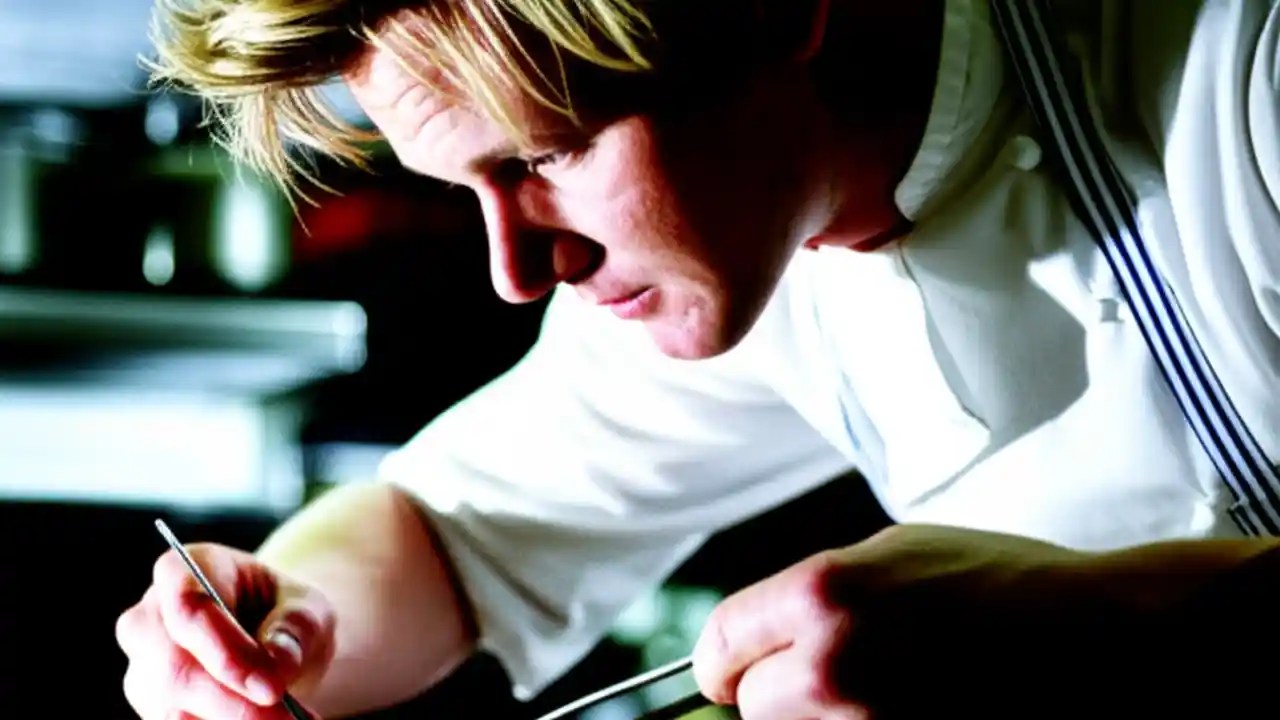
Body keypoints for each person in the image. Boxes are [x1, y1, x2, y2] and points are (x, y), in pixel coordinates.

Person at [115, 0, 1280, 718]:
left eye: (548, 152)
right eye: (460, 184)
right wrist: (278, 627)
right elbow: (455, 531)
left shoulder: (1243, 64)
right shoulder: (745, 226)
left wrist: (1109, 630)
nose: (515, 269)